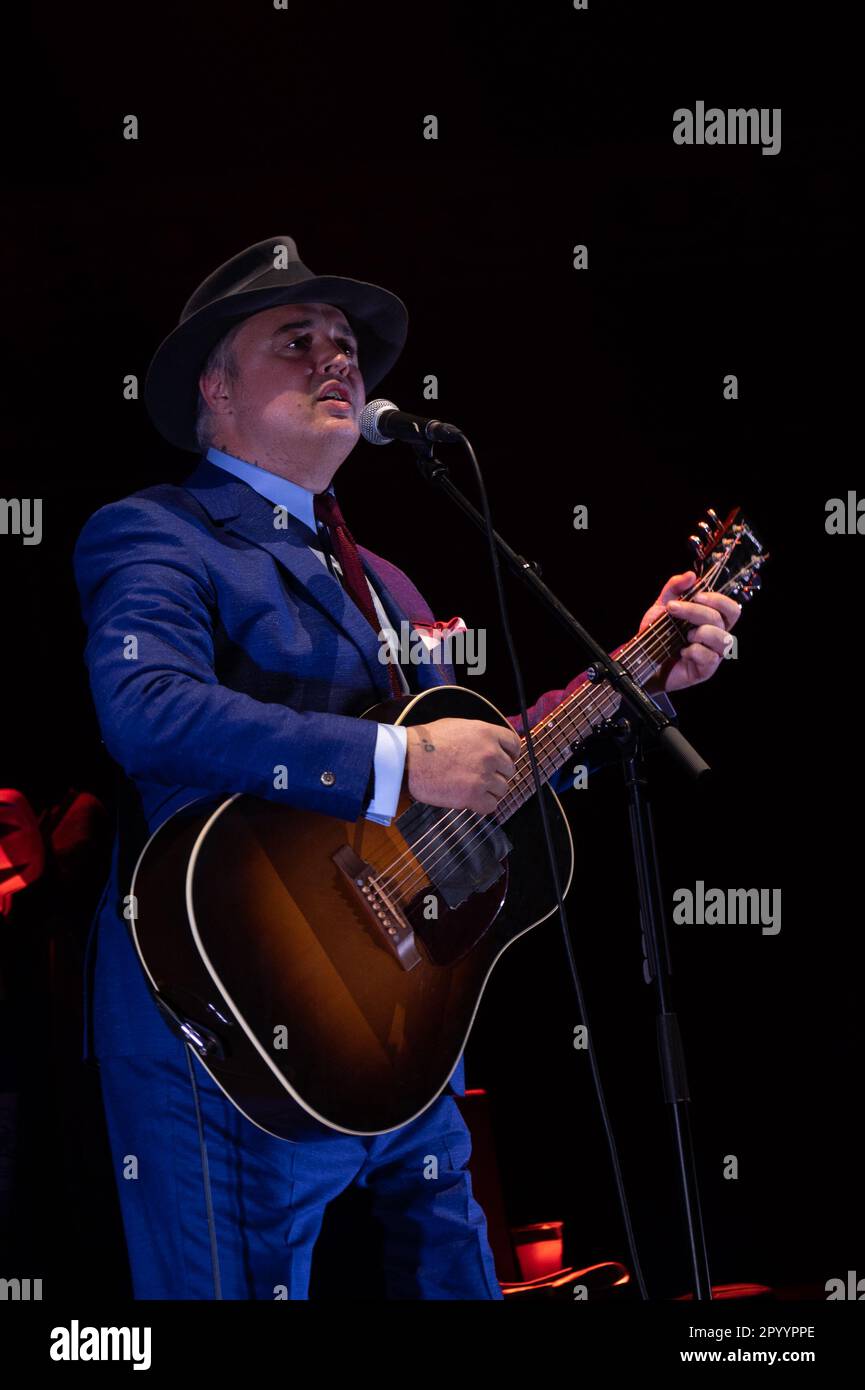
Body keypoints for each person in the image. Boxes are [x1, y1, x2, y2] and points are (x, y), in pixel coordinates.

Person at [73, 235, 740, 1300]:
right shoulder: (155, 532)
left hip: (399, 1017)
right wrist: (397, 756)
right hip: (227, 1013)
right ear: (214, 386)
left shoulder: (385, 579)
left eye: (344, 344)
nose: (336, 359)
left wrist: (637, 674)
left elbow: (485, 768)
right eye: (296, 341)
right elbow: (145, 709)